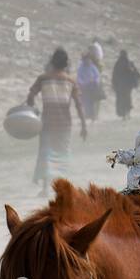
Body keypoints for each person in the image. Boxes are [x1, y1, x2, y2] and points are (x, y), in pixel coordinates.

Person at [25, 47, 86, 195]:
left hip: (47, 123)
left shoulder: (43, 78)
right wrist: (84, 125)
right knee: (62, 153)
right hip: (64, 125)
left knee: (46, 153)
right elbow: (78, 104)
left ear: (52, 62)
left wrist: (31, 107)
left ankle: (46, 188)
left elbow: (31, 95)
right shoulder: (70, 81)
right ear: (66, 64)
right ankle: (62, 188)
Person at [110, 49, 140, 120]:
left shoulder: (123, 63)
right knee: (125, 99)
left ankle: (126, 114)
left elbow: (136, 73)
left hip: (124, 86)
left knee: (124, 100)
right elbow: (115, 75)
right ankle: (125, 114)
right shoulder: (124, 63)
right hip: (124, 86)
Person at [76, 47, 104, 121]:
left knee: (93, 102)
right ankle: (88, 115)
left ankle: (93, 117)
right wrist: (82, 83)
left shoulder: (93, 67)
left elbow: (97, 75)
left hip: (92, 87)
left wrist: (95, 81)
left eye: (88, 59)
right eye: (86, 60)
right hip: (85, 88)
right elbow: (79, 77)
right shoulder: (81, 68)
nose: (87, 61)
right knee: (86, 102)